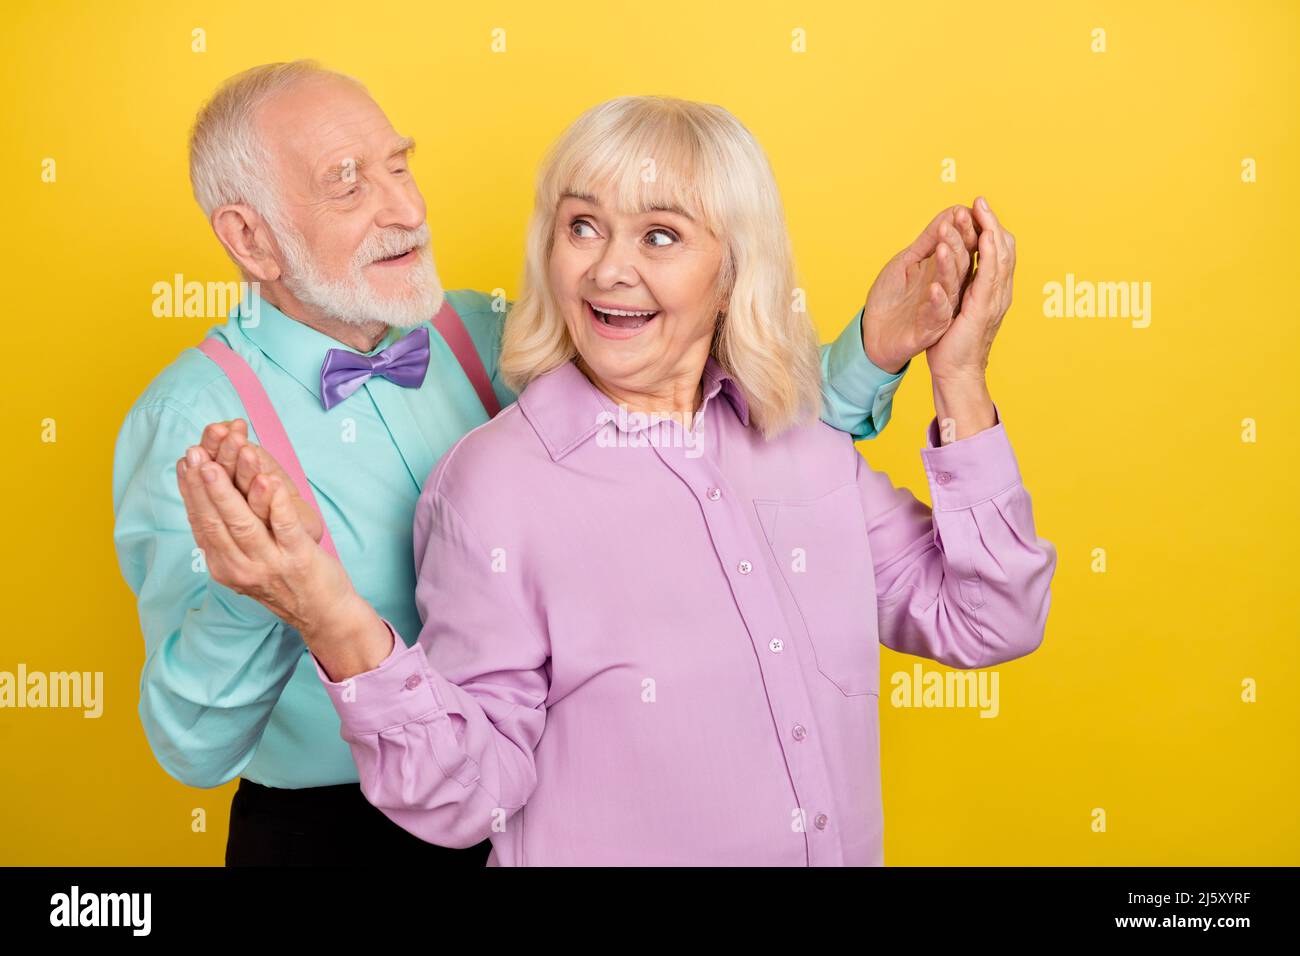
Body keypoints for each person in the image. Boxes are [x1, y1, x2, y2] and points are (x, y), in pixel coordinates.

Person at [115, 66, 979, 865]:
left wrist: (872, 352)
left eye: (400, 169)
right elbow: (191, 744)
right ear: (252, 240)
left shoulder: (487, 331)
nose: (406, 211)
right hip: (339, 837)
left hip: (528, 799)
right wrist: (266, 589)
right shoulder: (188, 423)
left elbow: (726, 441)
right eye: (350, 183)